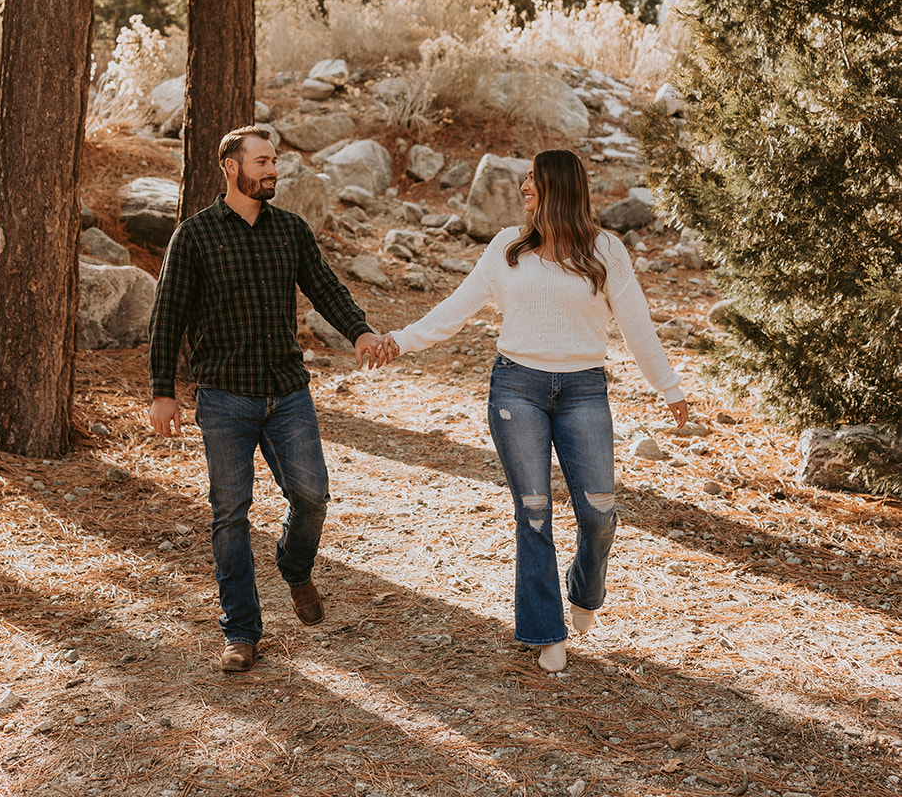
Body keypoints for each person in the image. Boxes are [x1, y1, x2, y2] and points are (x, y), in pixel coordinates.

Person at [383, 148, 688, 673]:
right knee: (534, 510)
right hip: (516, 388)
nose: (524, 188)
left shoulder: (606, 251)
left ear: (559, 188)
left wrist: (669, 386)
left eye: (533, 180)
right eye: (523, 179)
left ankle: (584, 591)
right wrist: (400, 340)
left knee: (599, 513)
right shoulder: (507, 248)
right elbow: (455, 309)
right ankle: (546, 632)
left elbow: (637, 325)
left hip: (583, 390)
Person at [148, 126, 394, 673]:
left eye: (274, 161)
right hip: (224, 396)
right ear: (230, 167)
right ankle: (241, 632)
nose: (273, 170)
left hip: (286, 392)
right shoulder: (194, 236)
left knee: (312, 496)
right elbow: (167, 316)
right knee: (230, 515)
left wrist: (359, 331)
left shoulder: (290, 230)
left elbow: (325, 287)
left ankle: (294, 566)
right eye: (261, 161)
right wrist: (162, 391)